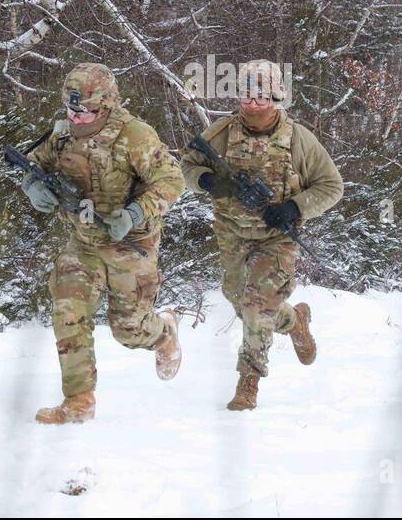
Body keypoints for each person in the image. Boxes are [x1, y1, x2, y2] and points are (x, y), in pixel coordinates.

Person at [22, 63, 185, 423]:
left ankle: (165, 333)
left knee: (128, 330)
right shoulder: (63, 133)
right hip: (83, 242)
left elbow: (172, 181)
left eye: (86, 112)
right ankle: (79, 402)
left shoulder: (134, 135)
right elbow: (35, 163)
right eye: (71, 110)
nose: (77, 118)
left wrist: (135, 213)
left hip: (131, 241)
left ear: (107, 104)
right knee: (68, 309)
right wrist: (34, 188)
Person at [180, 59, 343, 410]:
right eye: (245, 95)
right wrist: (209, 181)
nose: (253, 103)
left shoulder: (299, 140)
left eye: (261, 96)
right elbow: (187, 166)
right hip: (233, 235)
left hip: (277, 238)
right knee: (240, 299)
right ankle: (294, 321)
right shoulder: (221, 133)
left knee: (256, 307)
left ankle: (248, 382)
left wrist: (294, 208)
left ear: (276, 96)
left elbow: (332, 186)